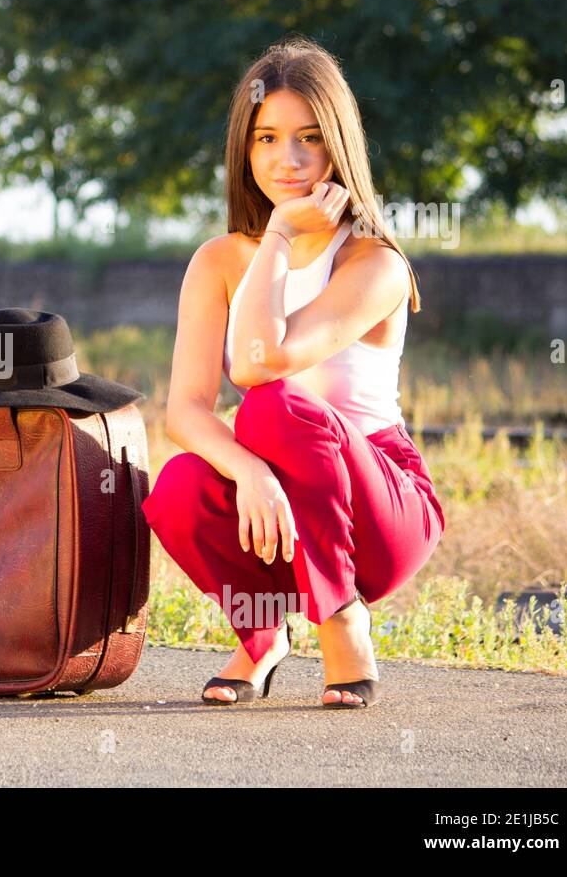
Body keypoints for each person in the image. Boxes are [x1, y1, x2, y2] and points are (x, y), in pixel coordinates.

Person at [140, 36, 447, 709]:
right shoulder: (218, 261)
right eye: (267, 139)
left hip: (381, 508)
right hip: (282, 507)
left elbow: (261, 363)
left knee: (271, 406)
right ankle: (261, 634)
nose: (289, 159)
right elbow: (184, 412)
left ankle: (343, 620)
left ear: (338, 145)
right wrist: (247, 470)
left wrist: (279, 234)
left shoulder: (375, 263)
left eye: (310, 138)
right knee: (181, 484)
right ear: (243, 150)